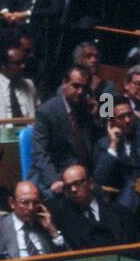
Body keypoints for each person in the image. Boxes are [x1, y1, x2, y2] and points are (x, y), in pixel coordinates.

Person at [30, 64, 94, 194]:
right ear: (64, 83)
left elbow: (97, 144)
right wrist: (54, 180)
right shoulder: (46, 111)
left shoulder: (87, 108)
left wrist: (99, 116)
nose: (80, 92)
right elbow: (40, 153)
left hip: (83, 176)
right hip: (56, 174)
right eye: (76, 86)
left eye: (85, 87)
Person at [0, 180, 68, 261]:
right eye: (25, 202)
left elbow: (68, 260)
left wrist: (52, 230)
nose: (31, 208)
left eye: (35, 202)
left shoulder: (44, 225)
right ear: (12, 203)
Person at [52, 163, 130, 249]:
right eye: (68, 186)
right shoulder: (63, 218)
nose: (73, 190)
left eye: (78, 183)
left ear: (90, 183)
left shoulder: (119, 212)